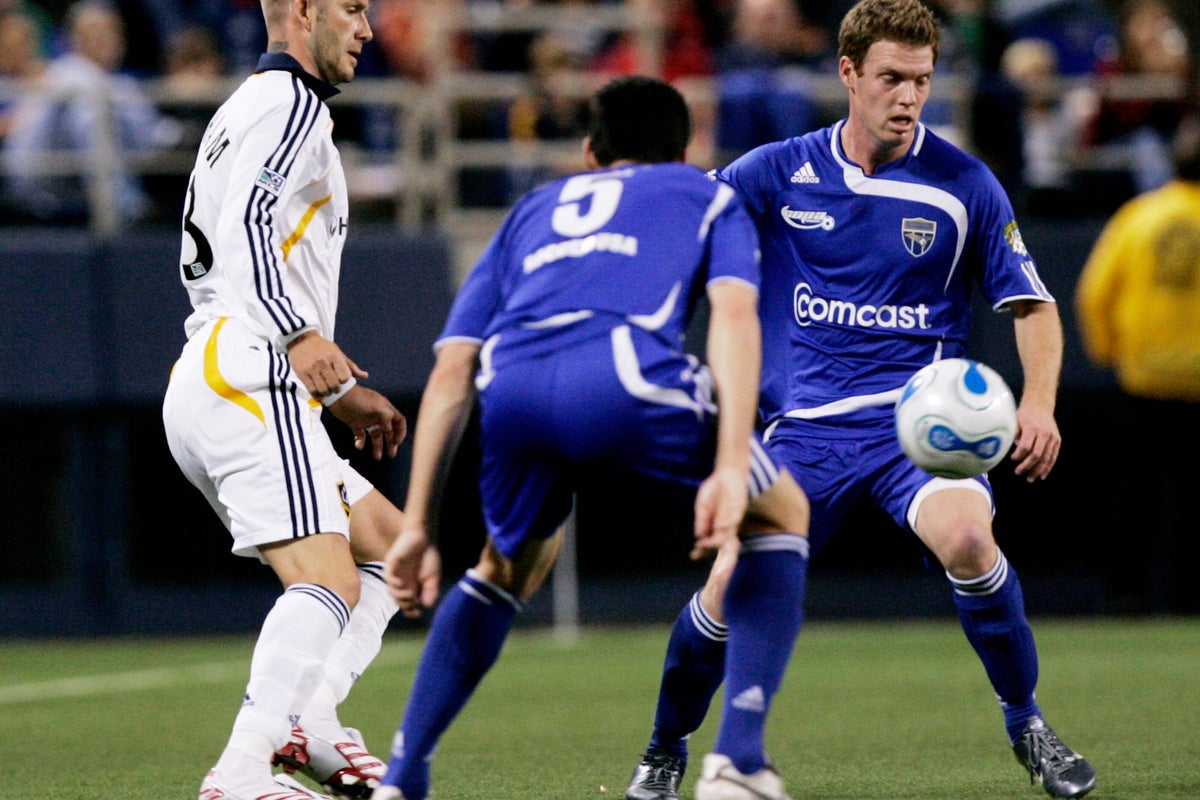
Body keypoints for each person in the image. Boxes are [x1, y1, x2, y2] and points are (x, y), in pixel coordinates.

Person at [623, 1, 1098, 799]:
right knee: (724, 589)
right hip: (802, 430)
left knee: (970, 542)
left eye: (921, 79)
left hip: (921, 431)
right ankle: (665, 747)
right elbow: (686, 228)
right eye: (890, 79)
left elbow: (1035, 305)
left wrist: (1040, 403)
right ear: (848, 74)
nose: (908, 97)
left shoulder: (964, 185)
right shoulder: (779, 170)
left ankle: (1028, 723)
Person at [371, 75, 813, 800]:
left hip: (509, 391)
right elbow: (734, 316)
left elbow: (452, 367)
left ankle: (403, 775)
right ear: (686, 149)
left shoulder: (531, 209)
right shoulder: (706, 193)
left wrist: (416, 525)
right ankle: (738, 759)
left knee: (503, 566)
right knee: (782, 514)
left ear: (588, 152)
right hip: (623, 376)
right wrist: (732, 466)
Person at [161, 2, 416, 799]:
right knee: (331, 582)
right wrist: (306, 344)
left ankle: (314, 726)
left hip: (222, 367)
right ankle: (241, 772)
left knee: (390, 550)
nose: (367, 29)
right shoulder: (293, 103)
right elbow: (248, 221)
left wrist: (333, 391)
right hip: (251, 364)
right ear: (303, 11)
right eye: (352, 9)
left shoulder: (248, 104)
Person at [1074, 111, 1200, 613]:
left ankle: (1127, 596)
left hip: (1142, 379)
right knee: (1193, 502)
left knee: (1135, 497)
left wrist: (1106, 349)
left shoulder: (1139, 216)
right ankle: (1189, 597)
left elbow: (1093, 292)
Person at [0, 0, 181, 223]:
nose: (101, 39)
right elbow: (22, 152)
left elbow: (147, 149)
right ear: (73, 38)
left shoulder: (127, 84)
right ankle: (129, 206)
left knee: (92, 96)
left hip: (88, 181)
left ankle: (125, 203)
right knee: (78, 78)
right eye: (93, 32)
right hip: (38, 176)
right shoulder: (62, 72)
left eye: (108, 31)